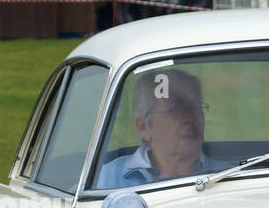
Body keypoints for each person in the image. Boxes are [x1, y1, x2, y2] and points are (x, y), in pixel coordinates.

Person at [95, 69, 229, 188]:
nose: (189, 117)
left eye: (194, 107)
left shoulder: (227, 177)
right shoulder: (107, 179)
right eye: (175, 109)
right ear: (144, 128)